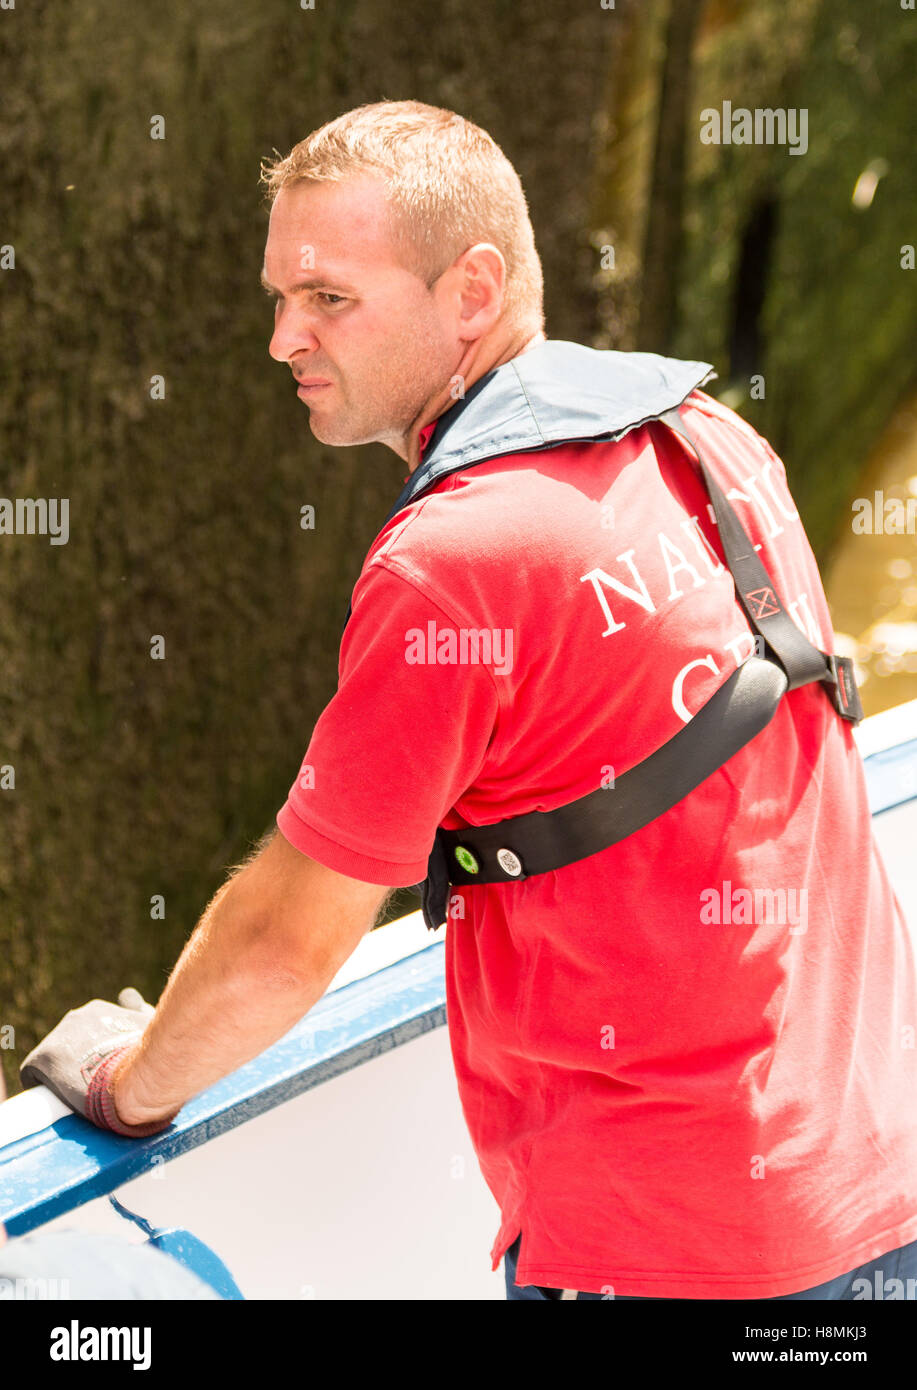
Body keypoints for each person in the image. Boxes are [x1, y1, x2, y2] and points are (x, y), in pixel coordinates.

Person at [21, 100, 917, 1300]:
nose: (281, 339)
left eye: (328, 298)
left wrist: (131, 1081)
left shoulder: (452, 566)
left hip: (667, 1259)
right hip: (877, 1190)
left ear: (472, 290)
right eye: (278, 296)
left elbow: (289, 939)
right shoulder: (710, 443)